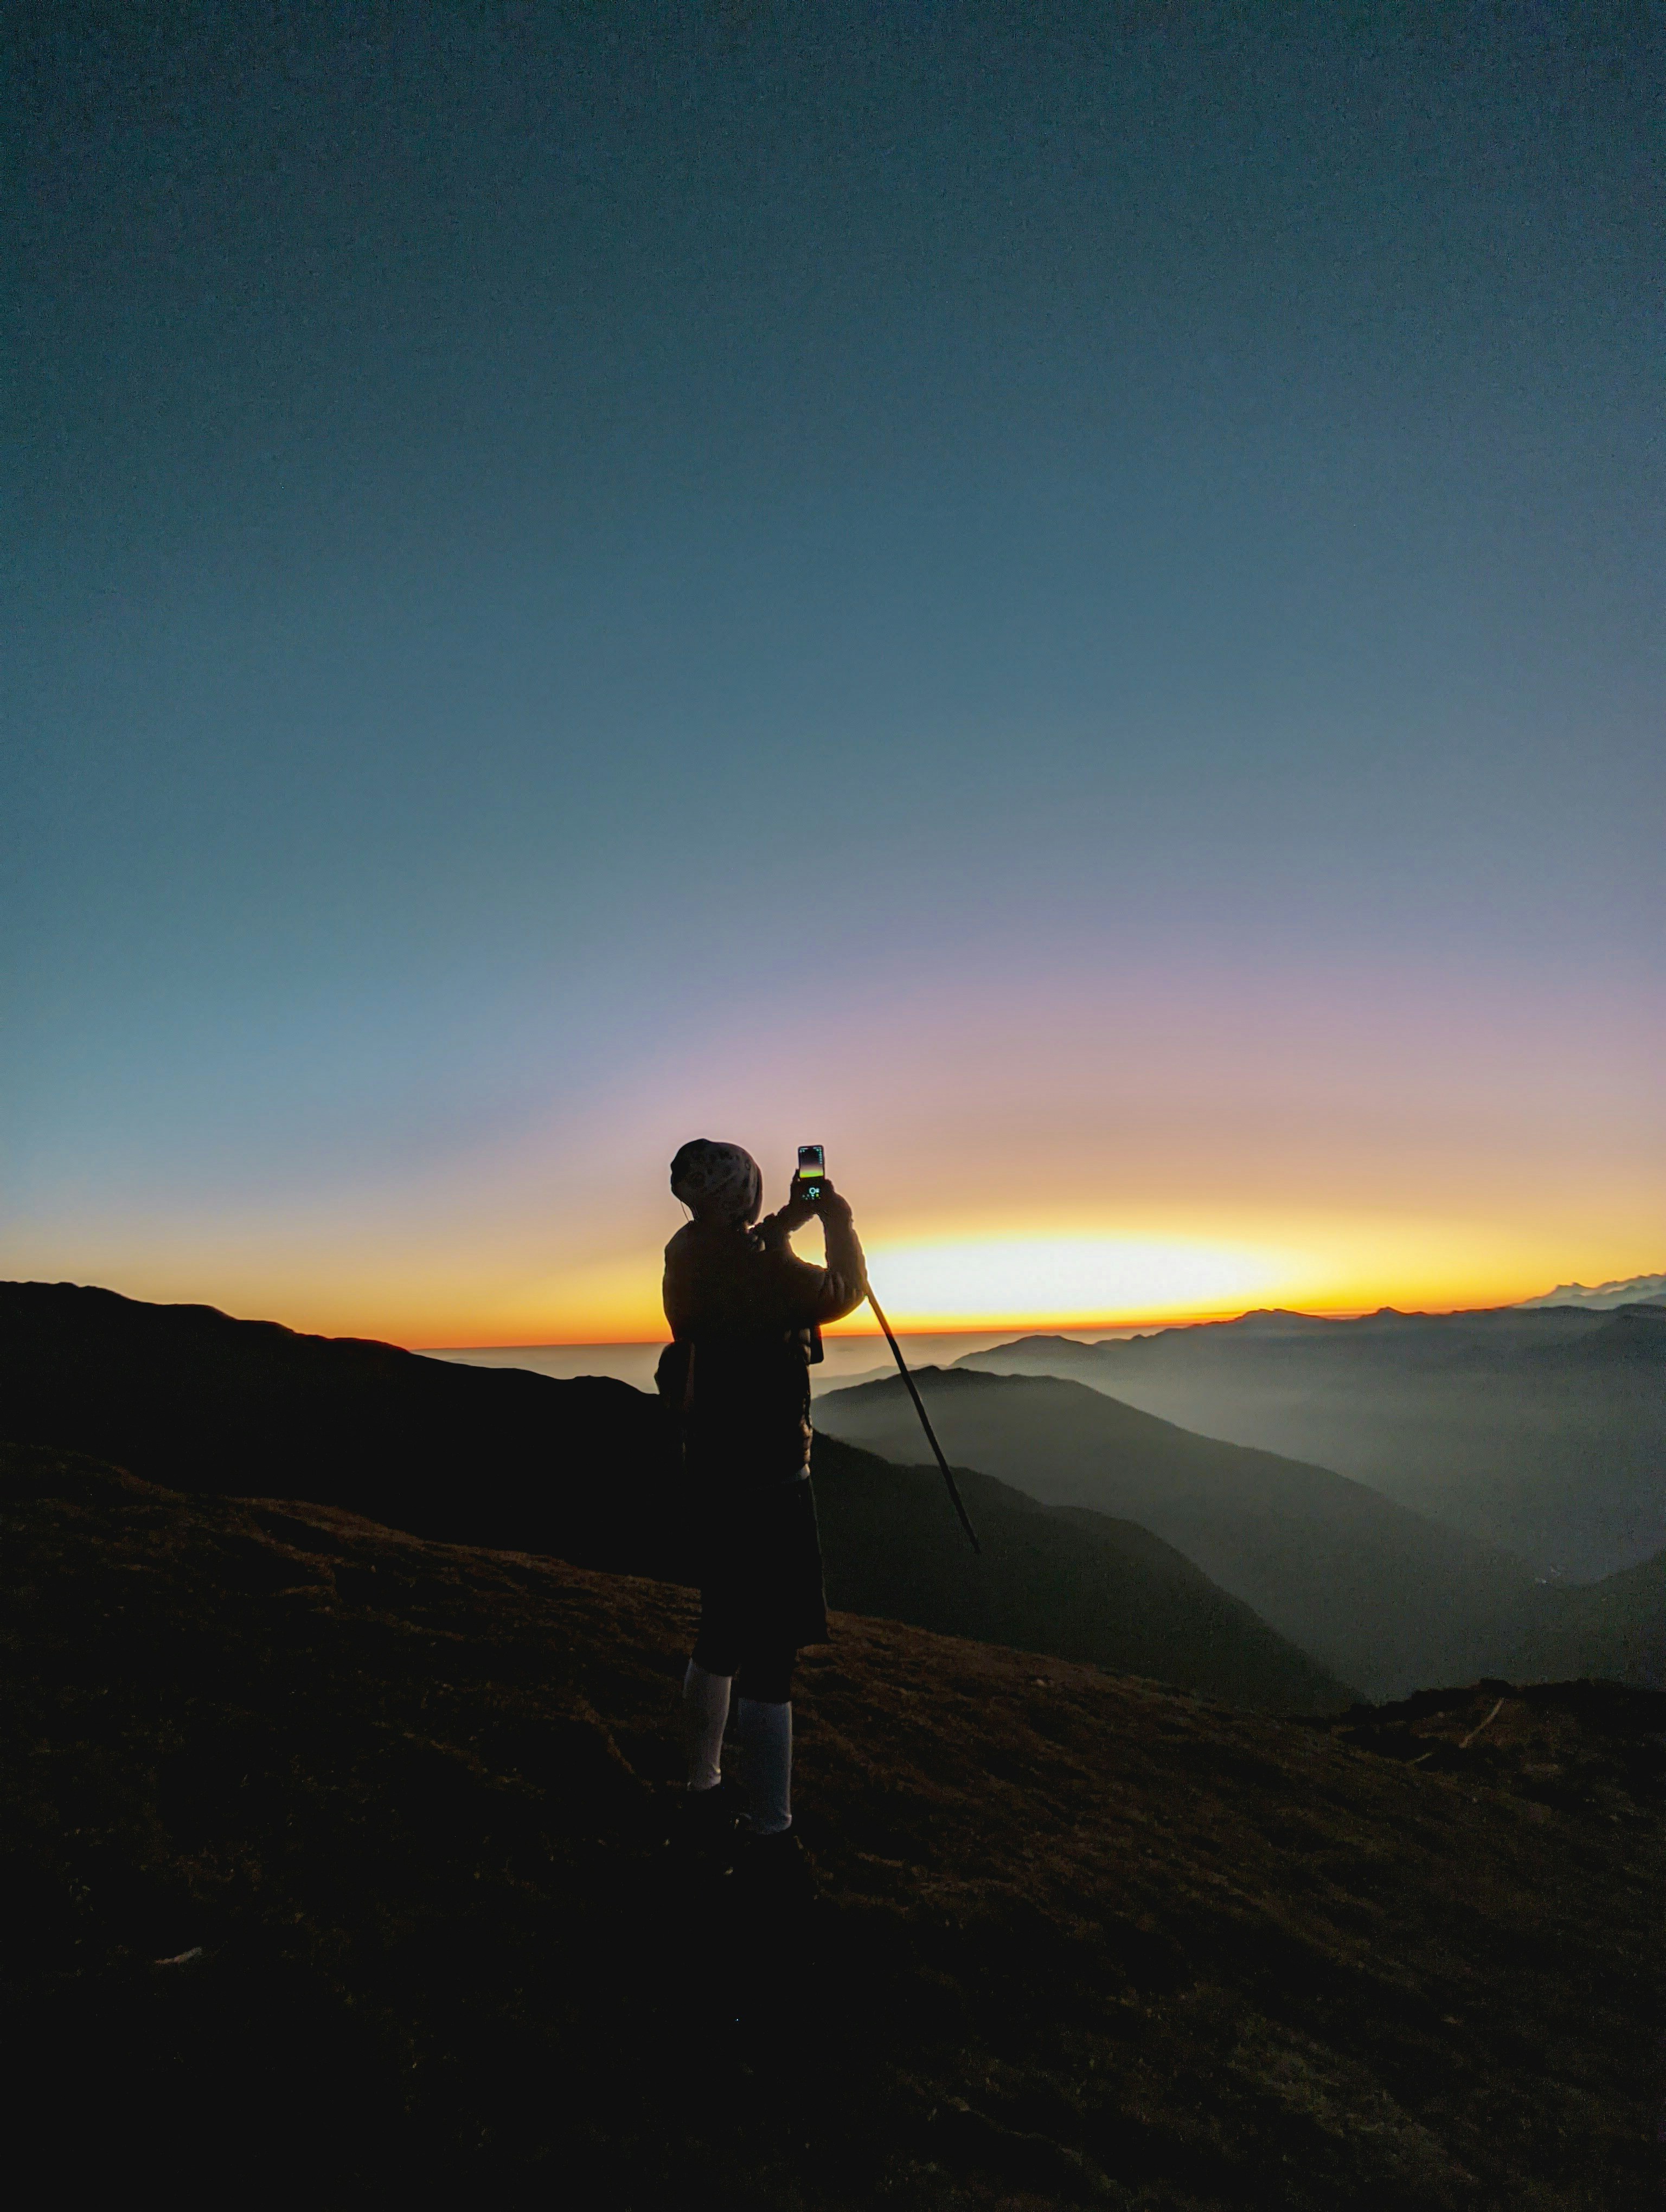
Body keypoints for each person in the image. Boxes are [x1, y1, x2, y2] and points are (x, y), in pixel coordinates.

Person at [657, 1137, 867, 1859]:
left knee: (719, 1634)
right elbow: (841, 1292)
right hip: (774, 1483)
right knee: (770, 1661)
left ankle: (703, 1788)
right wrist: (834, 1218)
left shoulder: (683, 1254)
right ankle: (771, 1833)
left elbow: (749, 1261)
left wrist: (781, 1223)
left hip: (712, 1472)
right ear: (738, 1194)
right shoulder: (759, 1265)